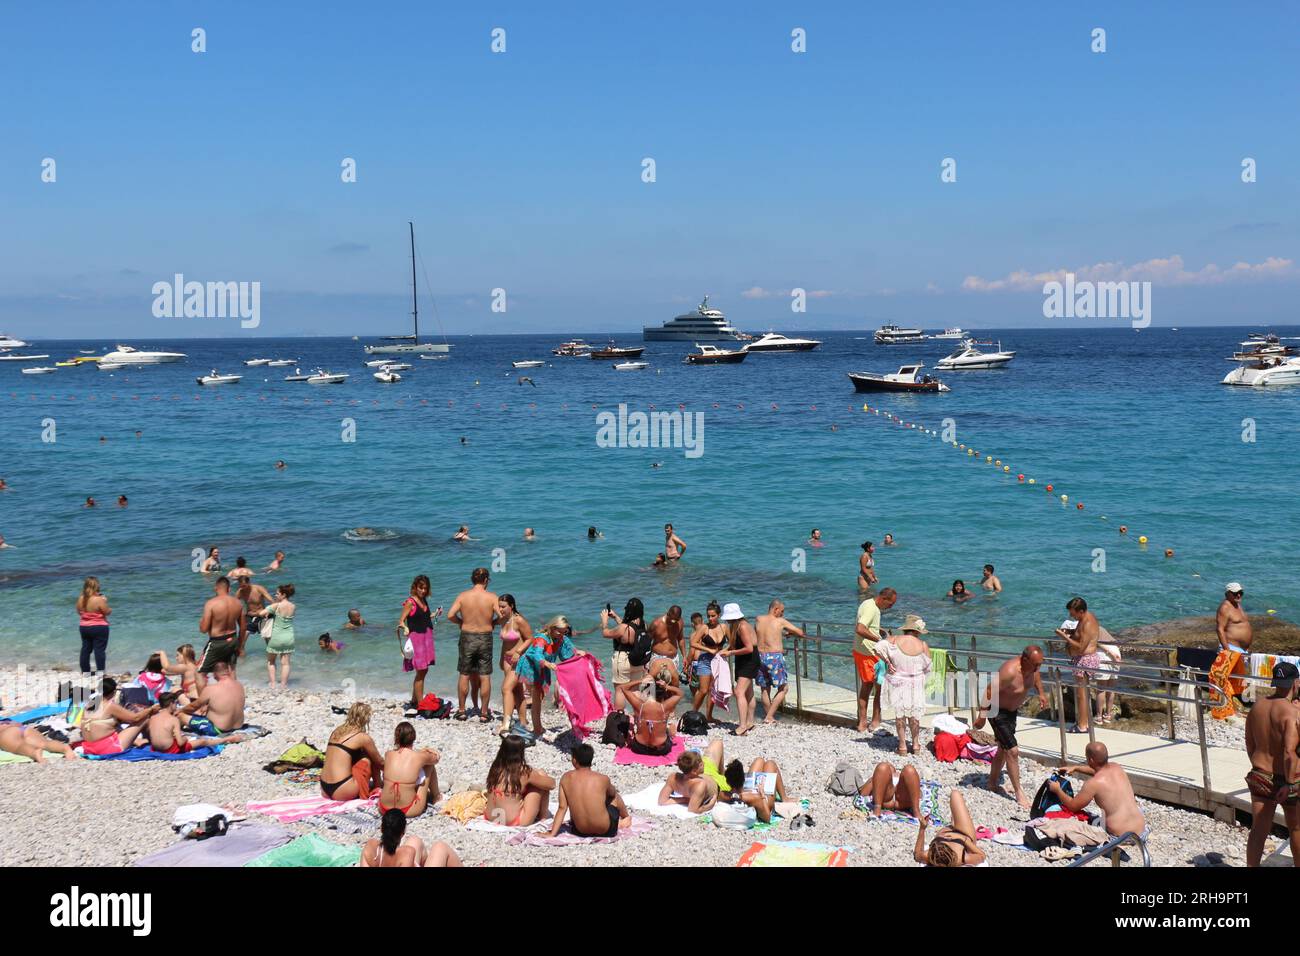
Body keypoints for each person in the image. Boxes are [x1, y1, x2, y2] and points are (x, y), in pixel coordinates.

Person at [975, 645, 1049, 809]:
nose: (1038, 668)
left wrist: (1041, 694)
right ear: (1024, 659)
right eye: (1035, 664)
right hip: (996, 711)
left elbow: (1036, 677)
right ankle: (1018, 792)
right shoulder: (1009, 671)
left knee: (1003, 747)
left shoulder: (1033, 668)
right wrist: (981, 717)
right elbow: (989, 691)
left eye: (1040, 665)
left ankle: (992, 783)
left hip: (1011, 712)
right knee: (1012, 750)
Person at [1243, 661, 1300, 867]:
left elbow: (1250, 744)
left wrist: (1259, 766)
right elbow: (1289, 752)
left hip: (1260, 775)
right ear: (1296, 682)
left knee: (1259, 829)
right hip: (1288, 779)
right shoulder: (1292, 713)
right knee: (1295, 829)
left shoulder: (1257, 707)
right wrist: (1290, 783)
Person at [503, 615, 586, 737]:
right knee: (522, 692)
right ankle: (518, 724)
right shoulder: (542, 639)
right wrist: (547, 663)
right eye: (558, 631)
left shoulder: (561, 638)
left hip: (542, 668)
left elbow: (569, 651)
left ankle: (537, 727)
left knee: (538, 698)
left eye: (564, 632)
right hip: (530, 667)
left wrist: (578, 652)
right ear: (551, 628)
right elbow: (537, 654)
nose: (561, 634)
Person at [1051, 742, 1148, 842]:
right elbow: (1099, 771)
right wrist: (1076, 768)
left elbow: (1073, 806)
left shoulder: (1093, 784)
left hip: (1120, 837)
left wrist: (1057, 790)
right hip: (1142, 832)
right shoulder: (1117, 767)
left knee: (1070, 826)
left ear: (1090, 760)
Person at [448, 567, 499, 721]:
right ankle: (484, 713)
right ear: (485, 580)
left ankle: (462, 710)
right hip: (485, 636)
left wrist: (461, 622)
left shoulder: (463, 596)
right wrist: (494, 623)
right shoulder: (491, 597)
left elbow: (450, 615)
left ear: (473, 580)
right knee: (484, 675)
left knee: (464, 673)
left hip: (467, 636)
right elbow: (503, 615)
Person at [549, 743, 631, 838]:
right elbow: (612, 794)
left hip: (580, 831)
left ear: (574, 760)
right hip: (606, 830)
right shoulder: (602, 779)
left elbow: (562, 808)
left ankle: (621, 819)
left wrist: (552, 833)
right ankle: (626, 817)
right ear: (591, 760)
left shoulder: (566, 778)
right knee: (614, 796)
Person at [879, 614, 932, 755]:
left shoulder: (893, 640)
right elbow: (928, 668)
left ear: (905, 629)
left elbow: (877, 648)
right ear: (917, 631)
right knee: (914, 716)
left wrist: (888, 662)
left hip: (897, 681)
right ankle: (916, 745)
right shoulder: (923, 645)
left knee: (900, 715)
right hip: (915, 682)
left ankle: (902, 746)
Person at [319, 702, 385, 801]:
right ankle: (377, 787)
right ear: (365, 719)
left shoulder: (337, 731)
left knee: (354, 755)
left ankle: (376, 786)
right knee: (368, 758)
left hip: (324, 788)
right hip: (342, 790)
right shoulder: (362, 737)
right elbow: (380, 763)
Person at [485, 735, 554, 827]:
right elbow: (551, 785)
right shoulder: (524, 771)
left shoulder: (496, 767)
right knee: (541, 777)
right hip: (514, 821)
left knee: (528, 782)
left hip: (490, 817)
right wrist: (538, 774)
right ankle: (543, 817)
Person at [754, 599, 805, 723]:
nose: (782, 614)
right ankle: (769, 717)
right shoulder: (780, 621)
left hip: (760, 656)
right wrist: (790, 633)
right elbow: (800, 632)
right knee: (784, 688)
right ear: (775, 609)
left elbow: (761, 635)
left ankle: (768, 716)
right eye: (781, 611)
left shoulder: (759, 619)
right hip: (774, 657)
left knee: (765, 689)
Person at [854, 587, 897, 732]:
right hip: (869, 653)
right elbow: (860, 628)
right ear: (884, 598)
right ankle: (875, 721)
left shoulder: (867, 604)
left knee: (866, 687)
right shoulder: (872, 609)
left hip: (861, 651)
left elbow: (867, 626)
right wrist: (879, 639)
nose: (891, 607)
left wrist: (880, 631)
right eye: (890, 604)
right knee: (880, 688)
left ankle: (862, 723)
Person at [79, 677, 157, 755]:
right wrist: (150, 709)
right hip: (106, 749)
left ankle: (143, 741)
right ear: (114, 692)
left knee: (116, 724)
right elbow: (135, 718)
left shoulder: (88, 705)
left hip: (89, 749)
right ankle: (155, 744)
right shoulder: (109, 706)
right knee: (145, 718)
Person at [1056, 596, 1100, 733]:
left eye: (1072, 613)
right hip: (1082, 659)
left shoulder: (1087, 623)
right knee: (1082, 694)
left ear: (1080, 611)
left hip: (1085, 660)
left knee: (1082, 695)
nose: (1071, 616)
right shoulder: (1083, 619)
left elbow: (1081, 647)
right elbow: (1080, 635)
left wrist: (1064, 637)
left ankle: (1082, 725)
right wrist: (1069, 632)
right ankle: (1083, 722)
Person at [378, 722, 441, 817]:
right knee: (429, 766)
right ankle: (436, 796)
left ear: (396, 738)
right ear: (413, 738)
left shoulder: (388, 754)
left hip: (384, 809)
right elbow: (436, 759)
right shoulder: (419, 757)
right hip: (408, 810)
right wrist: (429, 750)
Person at [361, 809, 462, 868]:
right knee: (440, 847)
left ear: (381, 828)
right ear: (403, 832)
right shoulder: (407, 853)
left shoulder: (370, 846)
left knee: (414, 840)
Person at [147, 693, 244, 753]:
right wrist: (184, 738)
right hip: (170, 750)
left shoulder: (153, 718)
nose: (176, 705)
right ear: (171, 703)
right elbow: (180, 743)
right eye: (175, 703)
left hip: (155, 748)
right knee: (203, 741)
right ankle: (228, 739)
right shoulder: (174, 719)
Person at [397, 575, 439, 709]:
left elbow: (424, 617)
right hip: (417, 639)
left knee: (423, 671)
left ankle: (414, 700)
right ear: (415, 587)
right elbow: (401, 621)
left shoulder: (423, 600)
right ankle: (421, 704)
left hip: (426, 637)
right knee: (421, 670)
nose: (423, 591)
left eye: (425, 588)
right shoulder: (410, 602)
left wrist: (435, 614)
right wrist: (405, 628)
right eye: (421, 588)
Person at [914, 791, 987, 867]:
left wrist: (922, 828)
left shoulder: (930, 857)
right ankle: (956, 822)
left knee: (955, 804)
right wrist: (963, 839)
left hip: (950, 830)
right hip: (964, 832)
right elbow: (982, 856)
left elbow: (917, 855)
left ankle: (954, 822)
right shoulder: (961, 858)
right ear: (952, 855)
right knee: (955, 794)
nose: (944, 843)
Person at [720, 603, 759, 736]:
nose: (726, 620)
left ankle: (742, 726)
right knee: (748, 692)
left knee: (738, 691)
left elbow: (749, 648)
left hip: (750, 659)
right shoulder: (736, 626)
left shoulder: (742, 626)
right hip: (744, 660)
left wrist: (730, 653)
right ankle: (749, 722)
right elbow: (732, 645)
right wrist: (724, 651)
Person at [604, 598, 647, 713]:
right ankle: (638, 714)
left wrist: (605, 622)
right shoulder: (644, 625)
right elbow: (628, 627)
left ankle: (619, 716)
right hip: (637, 660)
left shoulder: (624, 628)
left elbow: (606, 633)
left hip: (623, 660)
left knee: (620, 690)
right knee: (635, 690)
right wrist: (616, 617)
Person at [495, 594, 532, 727]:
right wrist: (501, 659)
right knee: (517, 691)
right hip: (506, 660)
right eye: (499, 606)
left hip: (519, 660)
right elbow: (505, 643)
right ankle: (522, 722)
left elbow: (530, 638)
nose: (500, 609)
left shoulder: (519, 620)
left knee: (505, 689)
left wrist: (518, 651)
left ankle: (506, 723)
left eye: (503, 607)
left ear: (511, 606)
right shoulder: (503, 620)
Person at [717, 755, 787, 824]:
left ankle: (784, 797)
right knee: (770, 764)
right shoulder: (755, 798)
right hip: (762, 800)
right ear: (744, 779)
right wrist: (762, 794)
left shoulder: (722, 795)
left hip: (745, 793)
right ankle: (784, 798)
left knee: (759, 760)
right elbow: (767, 818)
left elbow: (734, 798)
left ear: (727, 781)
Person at [180, 660, 246, 733]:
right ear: (228, 671)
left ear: (214, 674)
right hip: (238, 727)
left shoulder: (210, 689)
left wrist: (181, 710)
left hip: (218, 730)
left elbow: (193, 707)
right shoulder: (239, 685)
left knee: (180, 716)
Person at [625, 675, 683, 756]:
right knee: (670, 728)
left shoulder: (639, 706)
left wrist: (641, 681)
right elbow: (680, 694)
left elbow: (624, 688)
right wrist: (667, 686)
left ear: (646, 692)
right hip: (660, 749)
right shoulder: (664, 707)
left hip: (639, 748)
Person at [198, 577, 245, 675]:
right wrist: (240, 647)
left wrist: (201, 623)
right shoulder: (238, 603)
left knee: (200, 673)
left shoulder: (211, 603)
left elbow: (204, 629)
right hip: (232, 640)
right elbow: (243, 628)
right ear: (229, 589)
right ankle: (234, 690)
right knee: (231, 671)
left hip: (217, 642)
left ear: (216, 588)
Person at [689, 602, 728, 721]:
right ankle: (692, 714)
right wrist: (708, 649)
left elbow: (732, 642)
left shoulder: (724, 627)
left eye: (713, 616)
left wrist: (724, 651)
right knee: (703, 690)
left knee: (713, 689)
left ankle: (709, 716)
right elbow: (693, 643)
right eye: (708, 616)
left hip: (718, 660)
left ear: (719, 615)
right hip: (705, 660)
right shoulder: (704, 628)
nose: (710, 619)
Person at [257, 583, 296, 690]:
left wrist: (268, 610)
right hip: (289, 636)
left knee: (271, 661)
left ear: (283, 595)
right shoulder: (293, 606)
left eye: (277, 593)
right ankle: (284, 685)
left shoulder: (276, 606)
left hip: (276, 637)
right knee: (286, 663)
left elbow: (261, 613)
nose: (275, 595)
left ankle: (273, 684)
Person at [76, 576, 111, 675]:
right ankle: (100, 673)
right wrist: (104, 601)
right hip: (99, 627)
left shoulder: (81, 598)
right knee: (99, 650)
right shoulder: (99, 599)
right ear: (96, 586)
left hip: (84, 627)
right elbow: (107, 612)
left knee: (85, 649)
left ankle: (85, 672)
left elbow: (79, 611)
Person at [0, 720, 80, 762]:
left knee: (18, 746)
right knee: (44, 743)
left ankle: (34, 753)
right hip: (24, 728)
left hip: (7, 732)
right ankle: (64, 748)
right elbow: (16, 723)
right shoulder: (8, 721)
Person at [235, 576, 272, 659]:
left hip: (262, 616)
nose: (243, 588)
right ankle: (242, 663)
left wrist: (270, 611)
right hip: (249, 616)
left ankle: (271, 661)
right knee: (241, 642)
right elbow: (233, 604)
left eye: (244, 586)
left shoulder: (258, 589)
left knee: (268, 641)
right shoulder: (240, 591)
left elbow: (271, 601)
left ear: (249, 583)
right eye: (241, 586)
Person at [647, 605, 685, 686]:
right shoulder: (656, 624)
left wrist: (684, 656)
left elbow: (681, 639)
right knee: (654, 685)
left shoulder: (680, 622)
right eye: (671, 619)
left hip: (673, 658)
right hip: (657, 657)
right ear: (668, 613)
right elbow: (646, 642)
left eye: (676, 620)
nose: (673, 622)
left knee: (674, 684)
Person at [1217, 582, 1252, 654]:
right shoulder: (1225, 607)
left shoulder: (1237, 604)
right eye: (1235, 593)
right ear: (1227, 594)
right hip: (1231, 649)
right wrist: (1227, 651)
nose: (1239, 595)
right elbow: (1220, 629)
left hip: (1242, 651)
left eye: (1241, 593)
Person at [1095, 636, 1123, 723]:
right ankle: (1108, 715)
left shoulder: (1089, 626)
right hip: (1115, 651)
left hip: (1105, 654)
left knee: (1101, 689)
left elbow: (1096, 641)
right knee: (1111, 688)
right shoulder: (1102, 629)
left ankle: (1099, 716)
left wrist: (1111, 653)